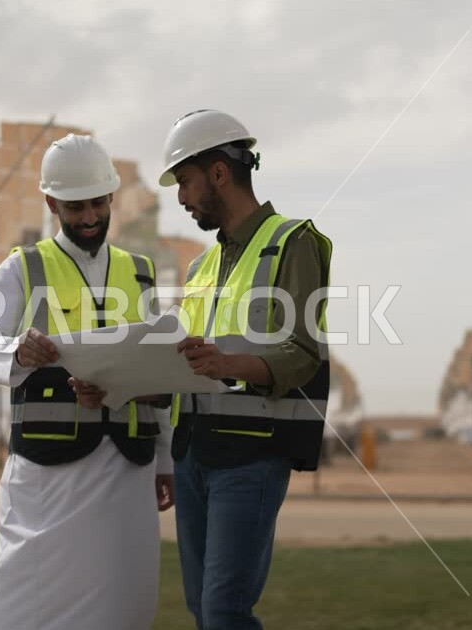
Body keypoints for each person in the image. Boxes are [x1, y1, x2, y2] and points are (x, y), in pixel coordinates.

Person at [0, 133, 174, 630]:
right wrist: (17, 350)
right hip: (47, 477)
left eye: (98, 204)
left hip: (128, 470)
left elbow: (159, 368)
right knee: (27, 604)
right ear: (51, 201)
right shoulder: (23, 267)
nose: (88, 218)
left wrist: (165, 458)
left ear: (112, 198)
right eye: (76, 207)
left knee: (125, 603)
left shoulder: (141, 273)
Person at [158, 110, 334, 629]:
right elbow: (185, 362)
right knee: (202, 610)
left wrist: (228, 364)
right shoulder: (200, 267)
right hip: (192, 452)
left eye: (185, 181)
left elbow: (301, 351)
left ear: (218, 173)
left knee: (224, 611)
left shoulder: (294, 242)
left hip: (250, 453)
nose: (182, 197)